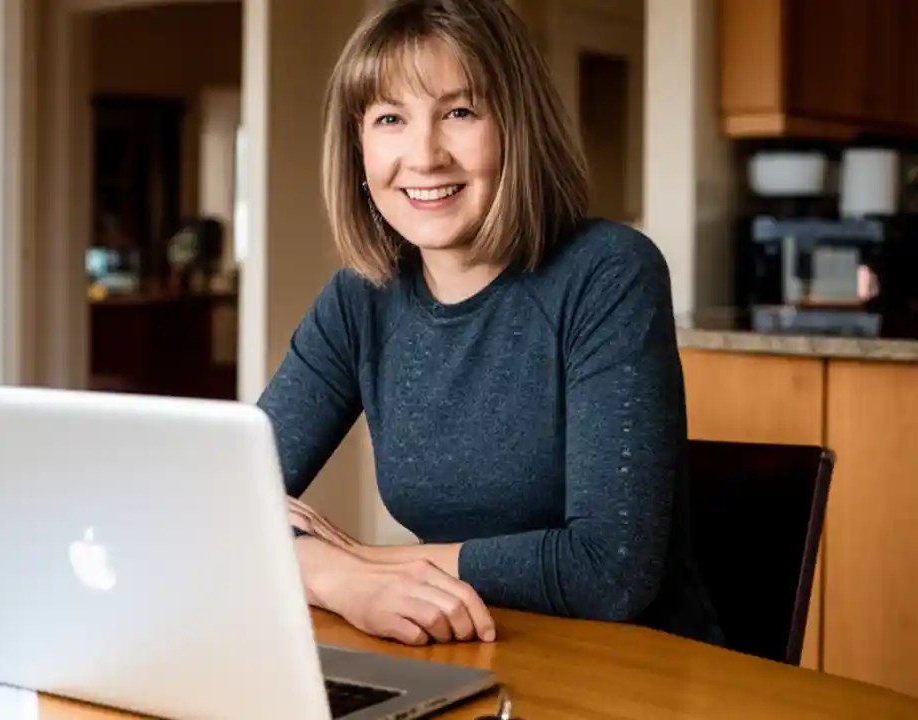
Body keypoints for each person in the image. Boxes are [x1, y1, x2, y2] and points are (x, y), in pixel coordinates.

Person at [257, 0, 723, 648]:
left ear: (517, 126)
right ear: (358, 149)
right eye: (390, 118)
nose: (423, 155)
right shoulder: (358, 299)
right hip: (465, 650)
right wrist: (334, 576)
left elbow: (608, 573)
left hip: (639, 672)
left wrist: (366, 560)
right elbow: (227, 501)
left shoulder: (609, 273)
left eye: (459, 112)